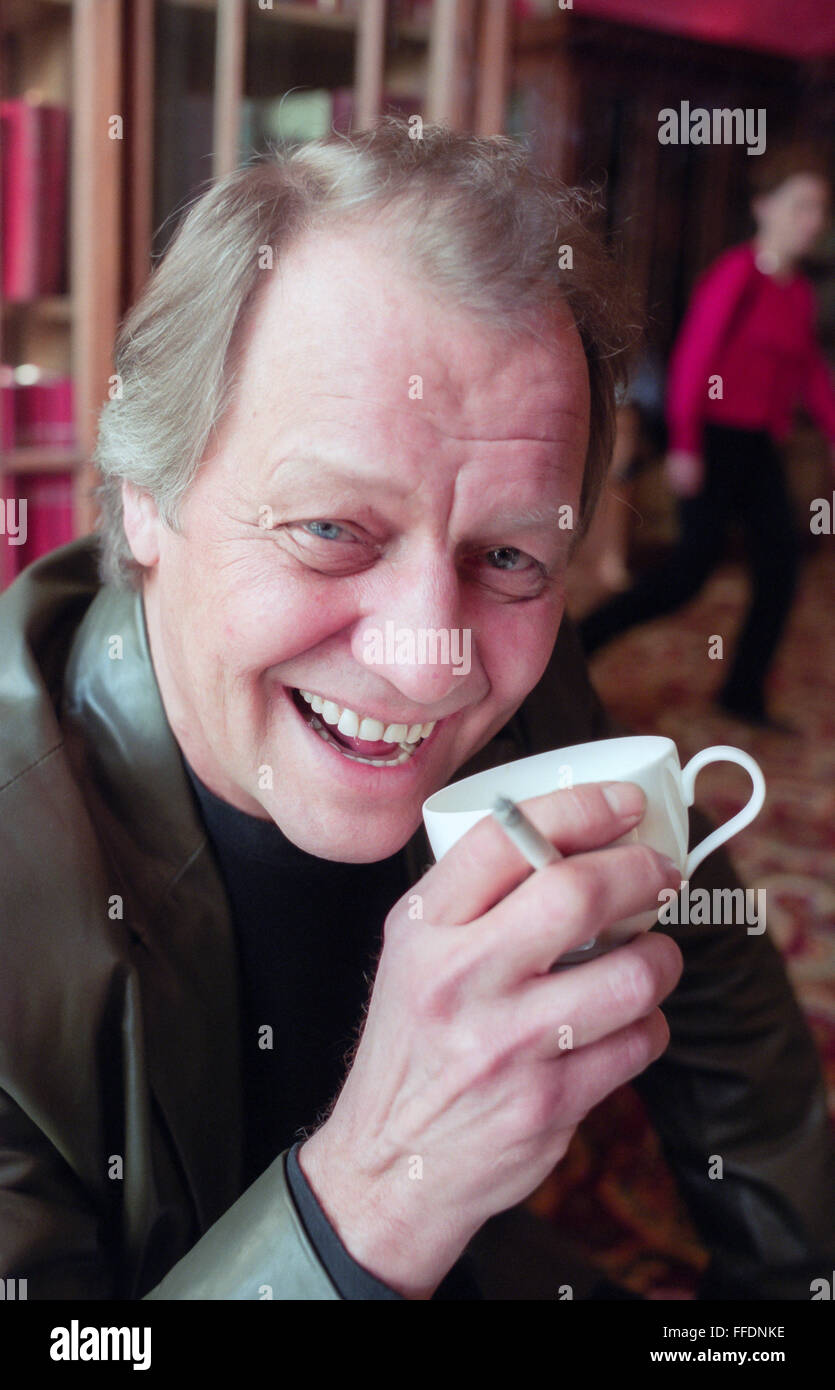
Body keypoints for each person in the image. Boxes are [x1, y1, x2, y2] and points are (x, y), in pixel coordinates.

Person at [1, 120, 833, 1301]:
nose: (430, 660)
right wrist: (377, 1193)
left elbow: (705, 967)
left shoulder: (523, 664)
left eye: (505, 554)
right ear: (145, 496)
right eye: (333, 528)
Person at [579, 144, 835, 730]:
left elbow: (809, 376)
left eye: (819, 210)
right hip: (715, 441)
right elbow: (694, 363)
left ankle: (742, 691)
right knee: (687, 576)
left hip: (759, 447)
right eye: (800, 207)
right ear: (764, 206)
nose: (812, 222)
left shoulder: (796, 293)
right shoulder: (736, 276)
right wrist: (687, 446)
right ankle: (577, 645)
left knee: (780, 569)